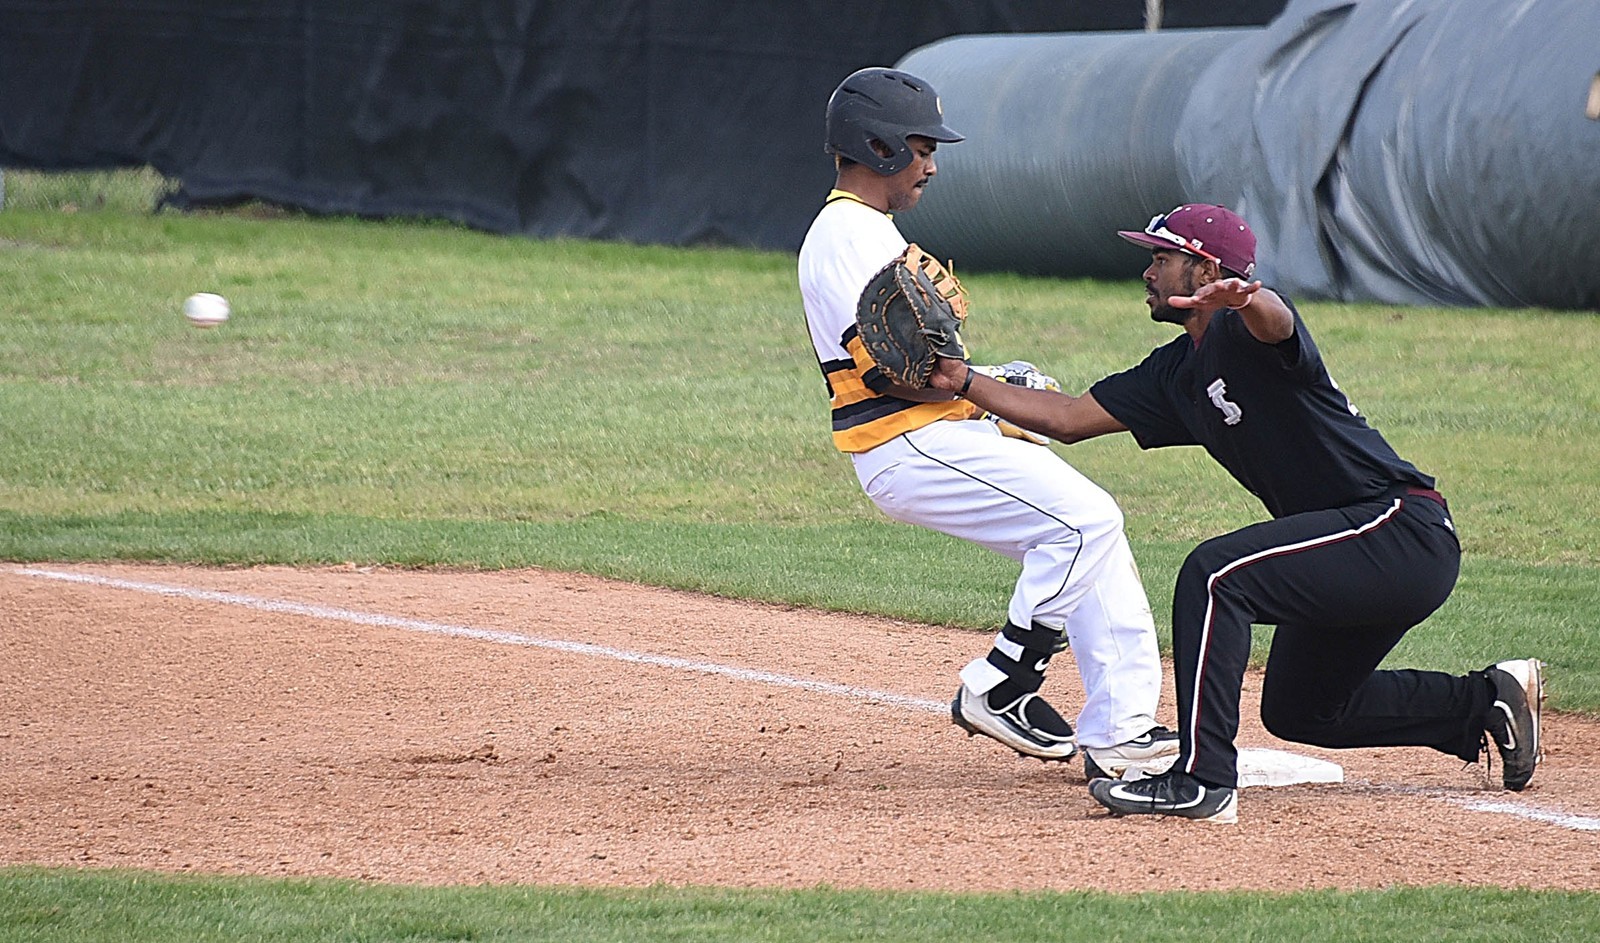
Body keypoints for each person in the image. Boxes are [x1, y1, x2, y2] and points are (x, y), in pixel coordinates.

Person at [928, 203, 1544, 823]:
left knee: (1216, 574)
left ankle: (1202, 781)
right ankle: (1485, 702)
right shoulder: (1174, 370)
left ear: (1205, 271)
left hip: (1398, 529)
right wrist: (960, 379)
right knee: (1303, 710)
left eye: (1161, 258)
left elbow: (1277, 323)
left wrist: (1249, 299)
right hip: (1351, 550)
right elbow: (1065, 419)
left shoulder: (1245, 332)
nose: (1148, 272)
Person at [797, 66, 1179, 778]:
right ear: (878, 146)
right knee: (1084, 522)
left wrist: (991, 379)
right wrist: (977, 385)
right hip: (904, 440)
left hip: (933, 430)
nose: (931, 165)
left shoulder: (866, 230)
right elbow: (888, 369)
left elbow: (920, 360)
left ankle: (1122, 730)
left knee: (1095, 541)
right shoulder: (847, 234)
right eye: (921, 147)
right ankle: (1000, 684)